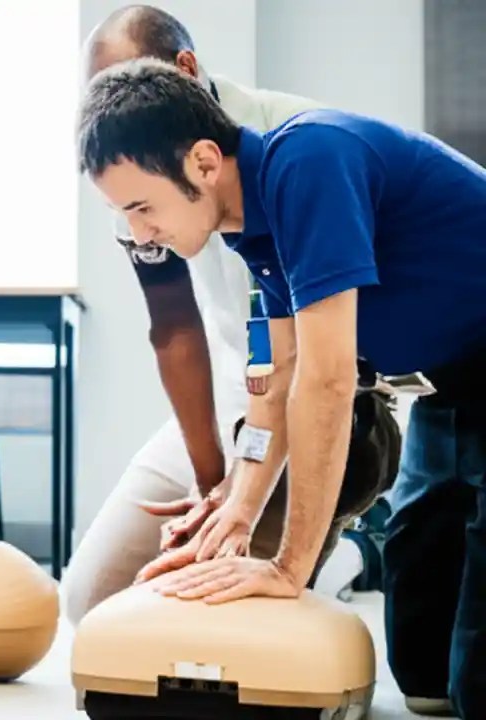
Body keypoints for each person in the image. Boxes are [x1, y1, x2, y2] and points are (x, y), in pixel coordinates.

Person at [77, 57, 486, 718]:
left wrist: (289, 567)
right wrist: (238, 506)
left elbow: (325, 383)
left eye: (142, 206)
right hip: (449, 393)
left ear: (205, 163)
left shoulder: (312, 163)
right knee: (424, 675)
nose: (139, 234)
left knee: (477, 687)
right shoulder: (254, 230)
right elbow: (276, 383)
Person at [62, 5, 400, 624]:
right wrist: (212, 479)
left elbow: (319, 372)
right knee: (93, 603)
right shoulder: (130, 173)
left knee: (219, 618)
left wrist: (265, 527)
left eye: (127, 87)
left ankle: (339, 553)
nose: (113, 112)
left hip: (322, 402)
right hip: (241, 394)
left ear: (185, 70)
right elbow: (175, 329)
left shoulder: (292, 147)